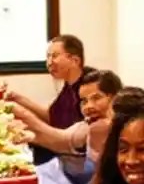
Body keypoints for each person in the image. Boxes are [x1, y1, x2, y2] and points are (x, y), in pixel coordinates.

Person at [15, 69, 123, 184]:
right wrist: (30, 135)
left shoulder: (106, 127)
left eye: (96, 98)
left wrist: (22, 114)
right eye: (84, 101)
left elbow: (60, 140)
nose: (89, 106)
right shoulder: (88, 124)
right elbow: (62, 136)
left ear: (115, 98)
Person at [7, 34, 92, 166]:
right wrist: (18, 99)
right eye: (48, 57)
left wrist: (26, 117)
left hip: (73, 158)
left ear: (75, 60)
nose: (49, 63)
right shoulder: (69, 84)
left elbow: (68, 141)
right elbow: (52, 115)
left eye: (55, 56)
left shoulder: (88, 88)